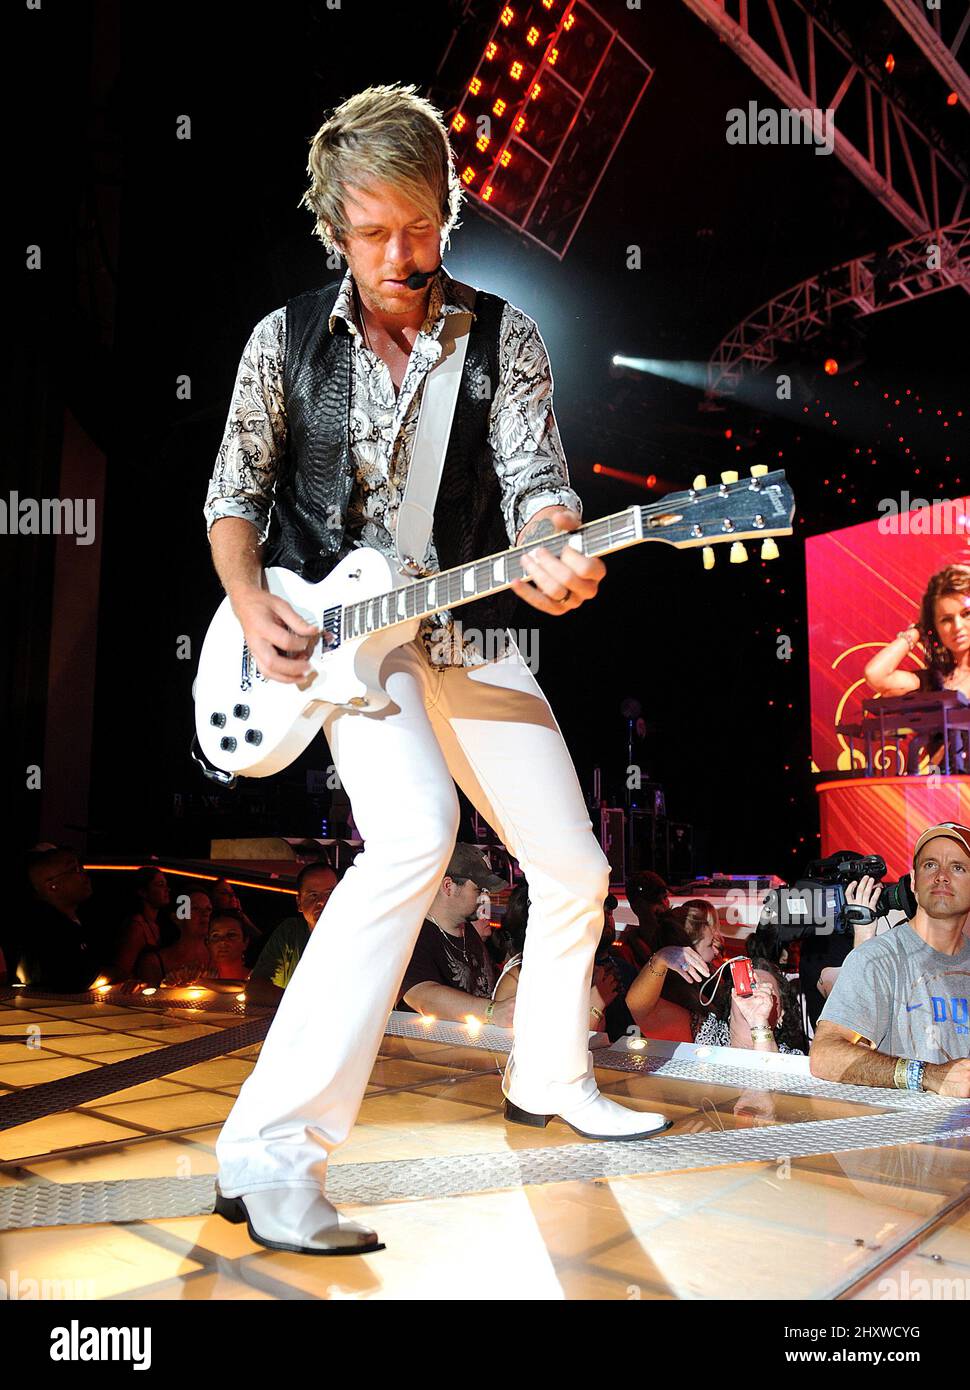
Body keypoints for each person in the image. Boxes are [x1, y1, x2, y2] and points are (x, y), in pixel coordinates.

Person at [207, 83, 670, 1257]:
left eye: (419, 226)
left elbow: (535, 485)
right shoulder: (282, 340)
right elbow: (234, 498)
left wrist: (557, 546)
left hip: (471, 629)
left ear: (447, 211)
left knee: (571, 865)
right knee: (413, 834)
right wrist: (248, 593)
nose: (399, 255)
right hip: (346, 634)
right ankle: (269, 1157)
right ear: (334, 229)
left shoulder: (501, 334)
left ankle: (550, 1074)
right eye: (372, 234)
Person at [810, 823, 970, 1096]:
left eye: (958, 867)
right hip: (908, 1134)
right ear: (913, 882)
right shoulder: (877, 959)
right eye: (930, 865)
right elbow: (825, 1055)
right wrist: (926, 1075)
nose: (942, 876)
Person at [863, 564, 970, 773]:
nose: (957, 626)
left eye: (966, 613)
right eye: (946, 619)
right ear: (935, 628)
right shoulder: (934, 681)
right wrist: (917, 631)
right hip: (949, 795)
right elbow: (875, 675)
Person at [398, 844, 508, 1022]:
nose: (485, 898)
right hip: (433, 1047)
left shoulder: (469, 931)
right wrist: (491, 1012)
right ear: (448, 886)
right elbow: (421, 995)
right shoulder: (413, 936)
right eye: (479, 890)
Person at [244, 862, 338, 1005]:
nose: (322, 902)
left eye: (330, 894)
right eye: (313, 895)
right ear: (299, 903)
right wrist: (305, 1006)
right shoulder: (291, 933)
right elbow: (256, 989)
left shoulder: (360, 935)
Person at [16, 848, 107, 992]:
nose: (84, 874)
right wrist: (117, 972)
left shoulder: (81, 922)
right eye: (75, 869)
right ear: (52, 885)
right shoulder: (47, 930)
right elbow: (73, 981)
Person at [109, 867, 172, 982]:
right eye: (160, 884)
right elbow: (122, 970)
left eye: (166, 884)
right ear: (143, 892)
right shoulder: (137, 927)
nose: (167, 889)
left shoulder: (155, 924)